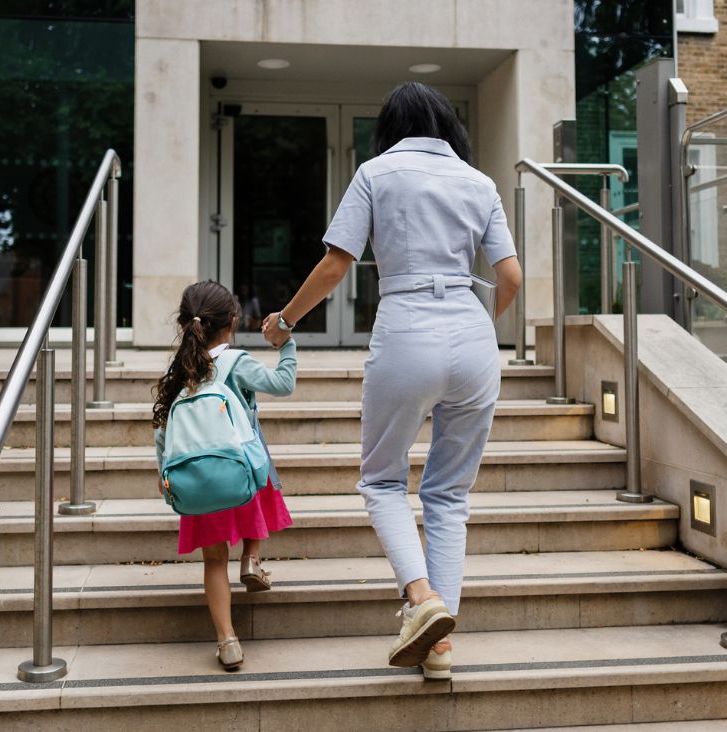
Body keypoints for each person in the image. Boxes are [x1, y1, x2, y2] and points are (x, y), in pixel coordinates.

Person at [262, 82, 523, 681]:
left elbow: (336, 263)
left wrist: (283, 322)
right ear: (448, 128)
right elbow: (509, 276)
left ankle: (422, 600)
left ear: (389, 126)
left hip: (407, 327)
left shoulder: (375, 173)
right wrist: (482, 328)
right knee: (450, 496)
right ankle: (440, 649)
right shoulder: (479, 182)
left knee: (382, 481)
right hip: (473, 334)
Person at [154, 280, 296, 671]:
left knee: (214, 561)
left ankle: (227, 641)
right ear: (232, 321)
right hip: (239, 472)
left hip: (199, 479)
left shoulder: (182, 368)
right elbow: (283, 384)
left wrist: (166, 481)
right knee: (259, 480)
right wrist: (286, 345)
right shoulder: (238, 361)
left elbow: (162, 434)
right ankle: (251, 559)